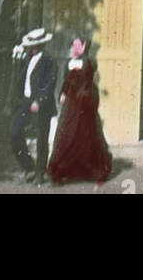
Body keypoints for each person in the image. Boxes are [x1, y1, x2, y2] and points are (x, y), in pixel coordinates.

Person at [47, 37, 113, 187]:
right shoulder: (68, 63)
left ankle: (90, 171)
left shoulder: (88, 62)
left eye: (78, 45)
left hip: (84, 103)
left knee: (86, 135)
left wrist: (80, 58)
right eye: (73, 45)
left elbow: (86, 78)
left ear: (84, 47)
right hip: (71, 103)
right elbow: (65, 81)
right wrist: (63, 93)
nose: (74, 47)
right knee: (65, 133)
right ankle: (61, 171)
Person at [9, 27, 56, 184]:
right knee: (14, 132)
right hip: (26, 101)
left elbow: (50, 84)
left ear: (42, 45)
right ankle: (28, 166)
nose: (33, 48)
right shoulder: (27, 59)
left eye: (36, 45)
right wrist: (14, 101)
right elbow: (20, 81)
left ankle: (40, 173)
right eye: (31, 45)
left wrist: (39, 101)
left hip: (41, 105)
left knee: (42, 138)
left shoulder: (49, 61)